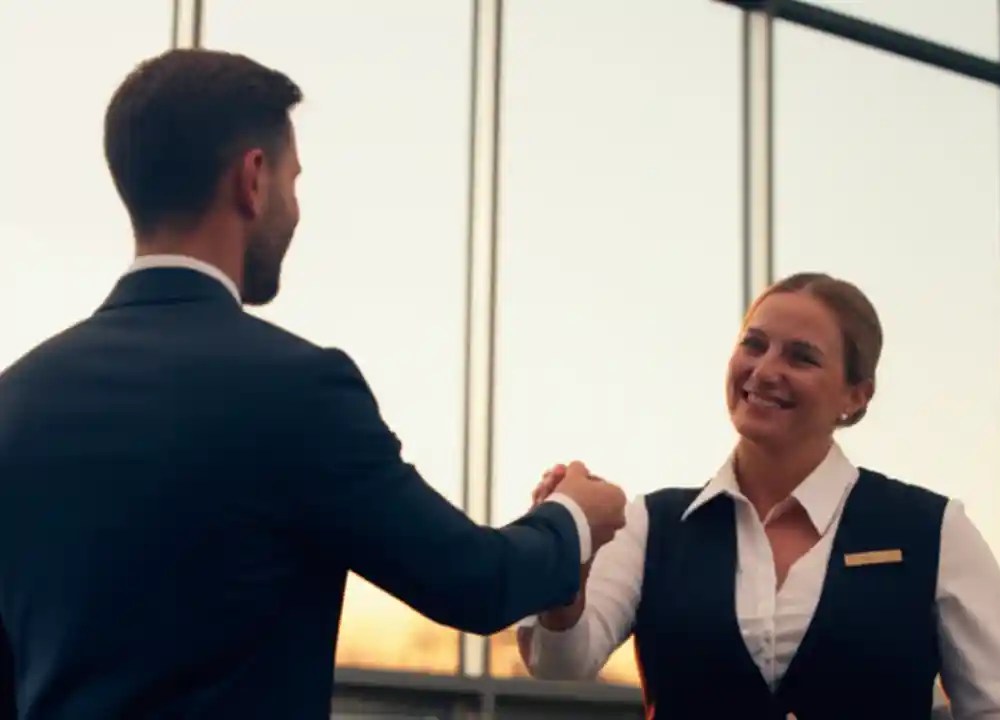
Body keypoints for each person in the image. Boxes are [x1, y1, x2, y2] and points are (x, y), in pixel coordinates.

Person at [0, 49, 627, 719]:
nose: (295, 210)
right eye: (293, 181)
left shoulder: (14, 401)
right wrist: (575, 520)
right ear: (253, 178)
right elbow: (474, 583)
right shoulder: (296, 390)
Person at [519, 273, 1000, 719]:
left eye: (801, 357)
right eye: (754, 344)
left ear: (855, 396)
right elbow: (560, 662)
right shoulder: (653, 524)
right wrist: (570, 560)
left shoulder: (935, 530)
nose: (765, 370)